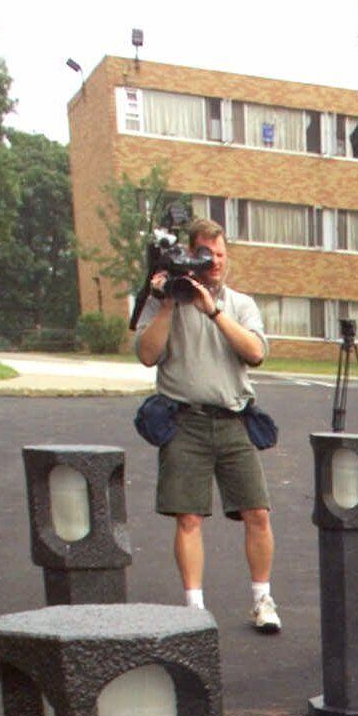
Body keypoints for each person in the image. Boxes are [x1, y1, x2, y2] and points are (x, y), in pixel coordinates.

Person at [134, 218, 280, 631]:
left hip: (234, 420)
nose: (213, 262)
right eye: (204, 255)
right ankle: (194, 610)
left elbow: (255, 353)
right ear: (188, 257)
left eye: (219, 255)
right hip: (185, 421)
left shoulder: (240, 304)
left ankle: (262, 599)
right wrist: (166, 302)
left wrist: (212, 311)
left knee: (258, 512)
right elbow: (147, 355)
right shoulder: (165, 299)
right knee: (189, 518)